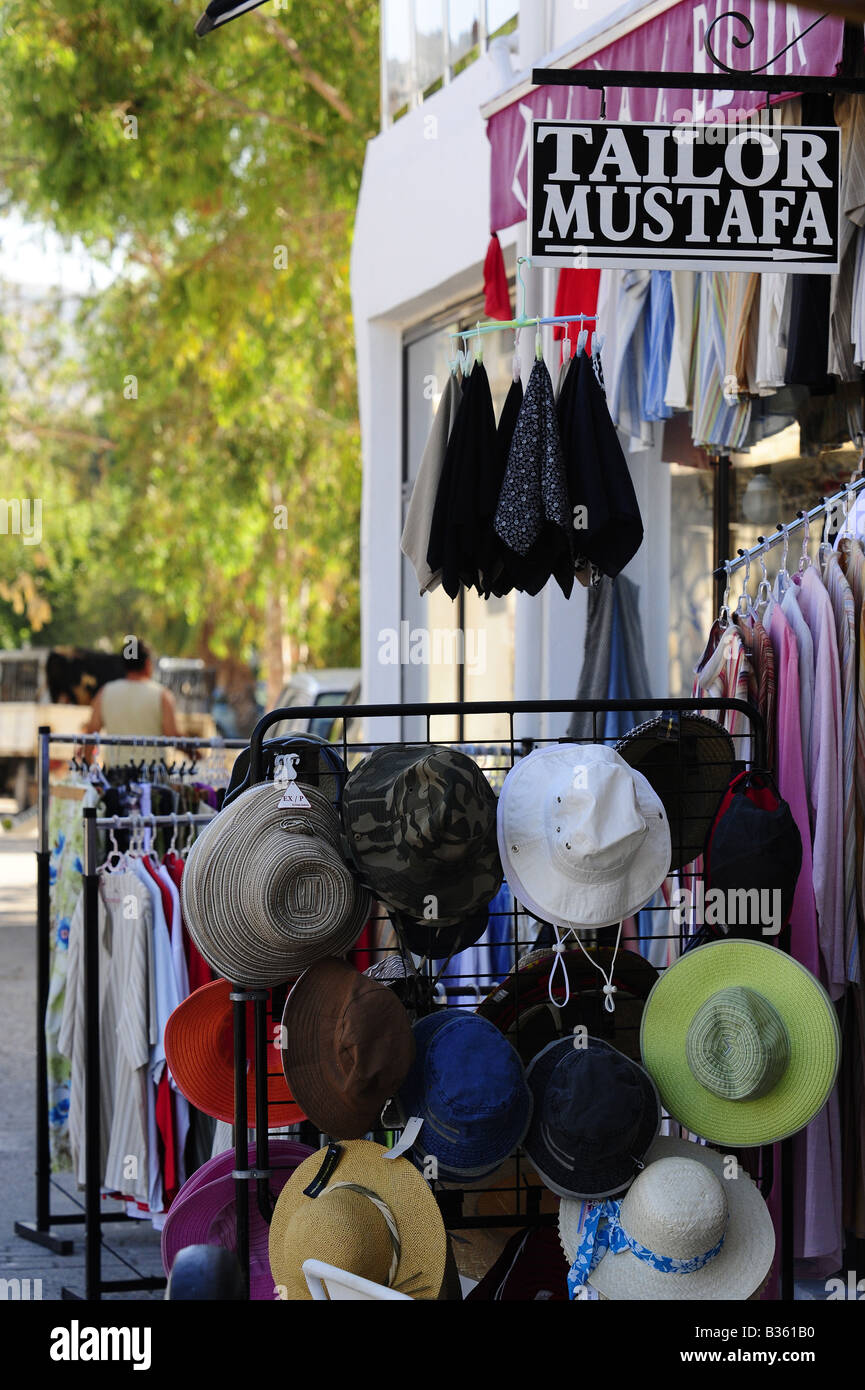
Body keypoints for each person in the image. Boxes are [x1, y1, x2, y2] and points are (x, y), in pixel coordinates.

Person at [81, 639, 186, 767]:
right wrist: (195, 752)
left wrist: (88, 766)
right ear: (147, 664)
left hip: (115, 775)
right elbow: (172, 735)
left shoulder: (105, 692)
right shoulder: (162, 695)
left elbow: (92, 732)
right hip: (152, 776)